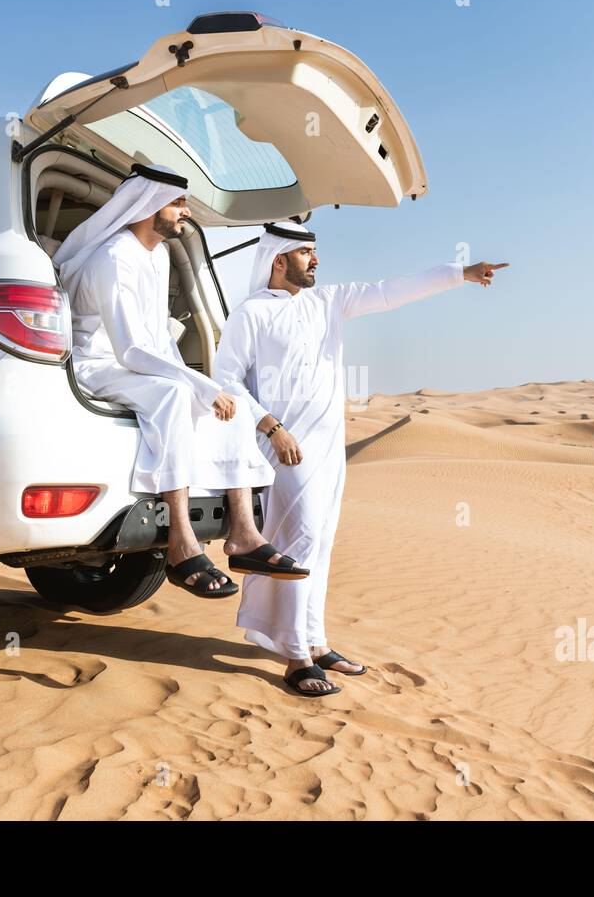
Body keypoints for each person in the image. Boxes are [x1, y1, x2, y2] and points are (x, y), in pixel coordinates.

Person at [213, 221, 507, 695]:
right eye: (308, 252)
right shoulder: (250, 314)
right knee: (300, 539)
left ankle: (315, 639)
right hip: (284, 446)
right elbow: (226, 380)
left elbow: (390, 291)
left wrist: (460, 273)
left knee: (321, 543)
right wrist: (271, 426)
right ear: (279, 259)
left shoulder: (327, 302)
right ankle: (295, 657)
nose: (317, 260)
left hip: (329, 446)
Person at [53, 165, 309, 597]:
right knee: (176, 392)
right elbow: (130, 349)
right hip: (99, 364)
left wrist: (208, 389)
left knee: (232, 404)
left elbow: (157, 342)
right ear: (145, 205)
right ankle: (180, 543)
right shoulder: (113, 257)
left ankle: (244, 534)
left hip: (141, 365)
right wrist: (198, 384)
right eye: (176, 203)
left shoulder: (155, 254)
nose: (184, 211)